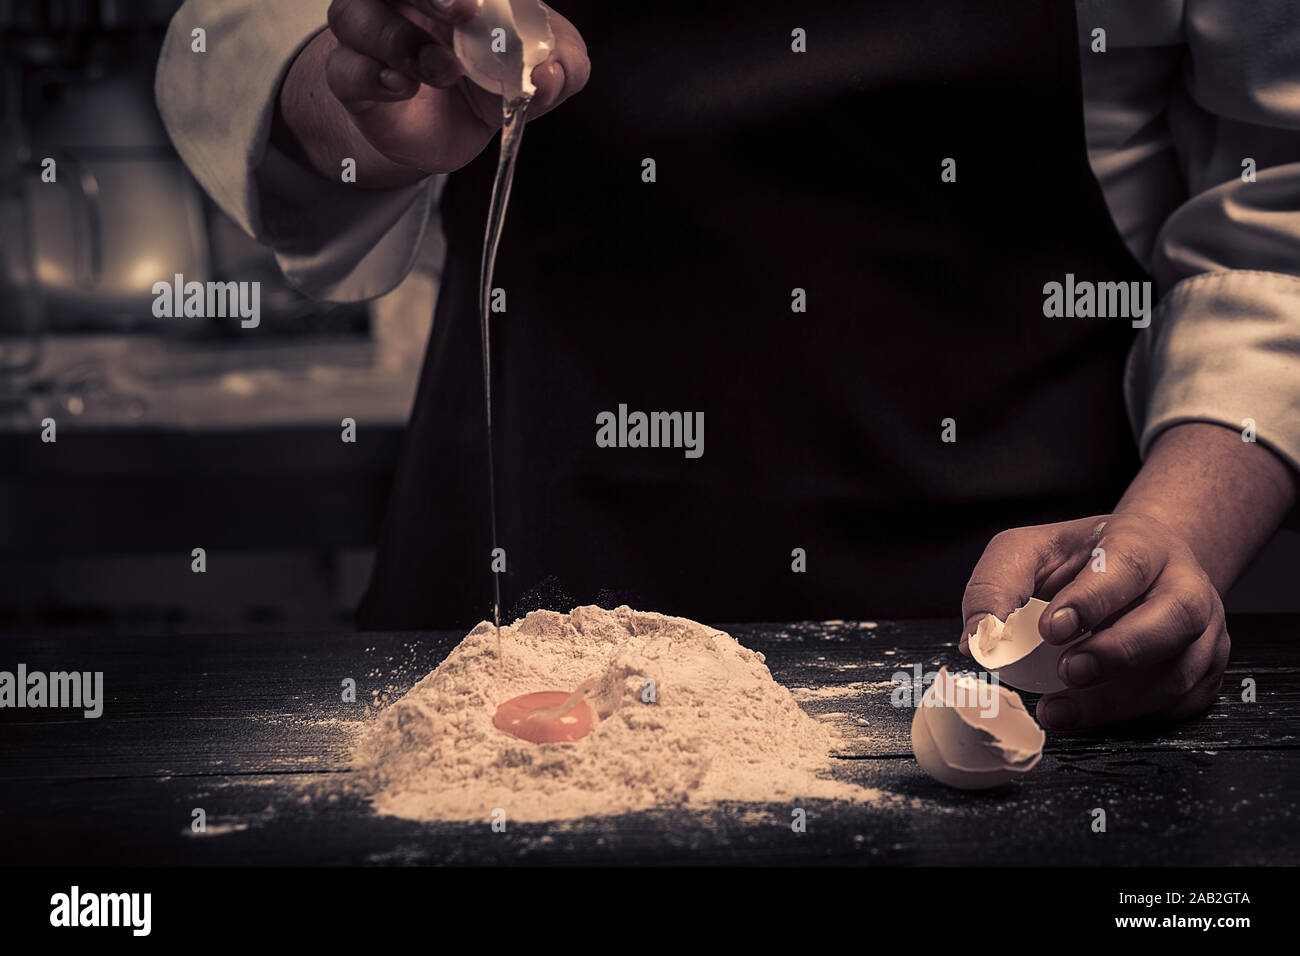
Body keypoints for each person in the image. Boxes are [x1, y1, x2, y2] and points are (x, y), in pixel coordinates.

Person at [156, 0, 1300, 730]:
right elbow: (246, 36)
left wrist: (1177, 532)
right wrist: (358, 96)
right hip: (529, 542)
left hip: (1006, 611)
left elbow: (1275, 203)